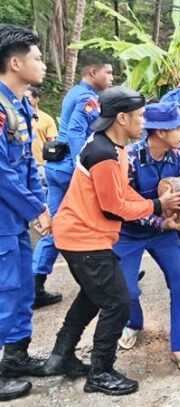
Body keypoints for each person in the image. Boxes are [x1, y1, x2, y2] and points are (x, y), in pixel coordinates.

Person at [48, 86, 180, 396]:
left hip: (88, 236)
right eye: (140, 116)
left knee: (91, 298)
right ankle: (101, 372)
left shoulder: (114, 147)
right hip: (83, 238)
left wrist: (155, 206)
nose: (144, 122)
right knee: (117, 304)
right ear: (122, 118)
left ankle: (61, 356)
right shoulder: (103, 154)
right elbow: (114, 206)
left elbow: (123, 192)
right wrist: (157, 205)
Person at [112, 102, 180, 372]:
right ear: (160, 132)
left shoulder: (179, 157)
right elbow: (126, 206)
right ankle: (133, 322)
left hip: (166, 231)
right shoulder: (129, 159)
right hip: (130, 232)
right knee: (126, 289)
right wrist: (161, 221)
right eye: (178, 128)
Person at [0, 24, 55, 401]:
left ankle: (15, 357)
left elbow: (28, 164)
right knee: (4, 291)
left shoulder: (20, 104)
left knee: (20, 288)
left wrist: (41, 204)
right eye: (37, 57)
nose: (43, 64)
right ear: (16, 63)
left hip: (15, 217)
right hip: (2, 218)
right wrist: (35, 207)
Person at [33, 58, 113, 309]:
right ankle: (108, 277)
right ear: (93, 72)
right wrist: (84, 166)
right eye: (108, 72)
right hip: (70, 170)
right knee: (99, 219)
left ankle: (35, 284)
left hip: (57, 167)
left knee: (56, 225)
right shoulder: (86, 98)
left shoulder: (75, 92)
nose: (111, 78)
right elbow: (77, 132)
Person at [25, 86, 57, 180]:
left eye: (27, 98)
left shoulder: (47, 119)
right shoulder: (16, 117)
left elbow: (52, 144)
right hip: (21, 164)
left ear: (36, 99)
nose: (24, 100)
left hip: (40, 165)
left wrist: (51, 165)